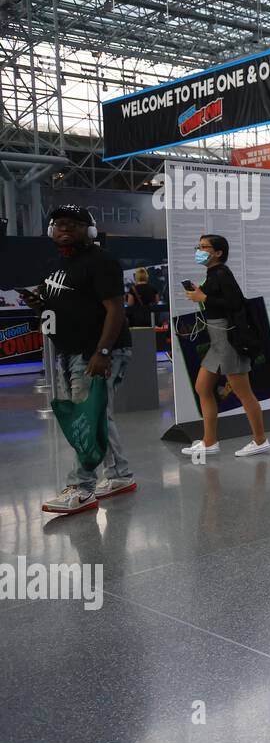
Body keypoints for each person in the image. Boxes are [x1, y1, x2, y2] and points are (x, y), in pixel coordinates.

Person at [23, 205, 135, 514]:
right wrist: (38, 305)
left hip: (95, 352)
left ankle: (82, 488)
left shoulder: (102, 261)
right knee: (98, 414)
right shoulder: (54, 265)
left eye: (73, 224)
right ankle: (119, 475)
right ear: (50, 231)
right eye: (59, 224)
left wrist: (102, 352)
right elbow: (56, 309)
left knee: (87, 419)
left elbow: (115, 309)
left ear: (89, 230)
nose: (64, 229)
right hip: (68, 352)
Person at [182, 234, 270, 457]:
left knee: (244, 393)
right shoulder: (212, 274)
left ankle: (260, 440)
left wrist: (204, 298)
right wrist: (202, 295)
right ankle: (209, 441)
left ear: (218, 252)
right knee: (202, 387)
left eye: (205, 247)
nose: (199, 250)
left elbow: (234, 303)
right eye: (199, 246)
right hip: (217, 341)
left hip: (229, 340)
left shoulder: (221, 273)